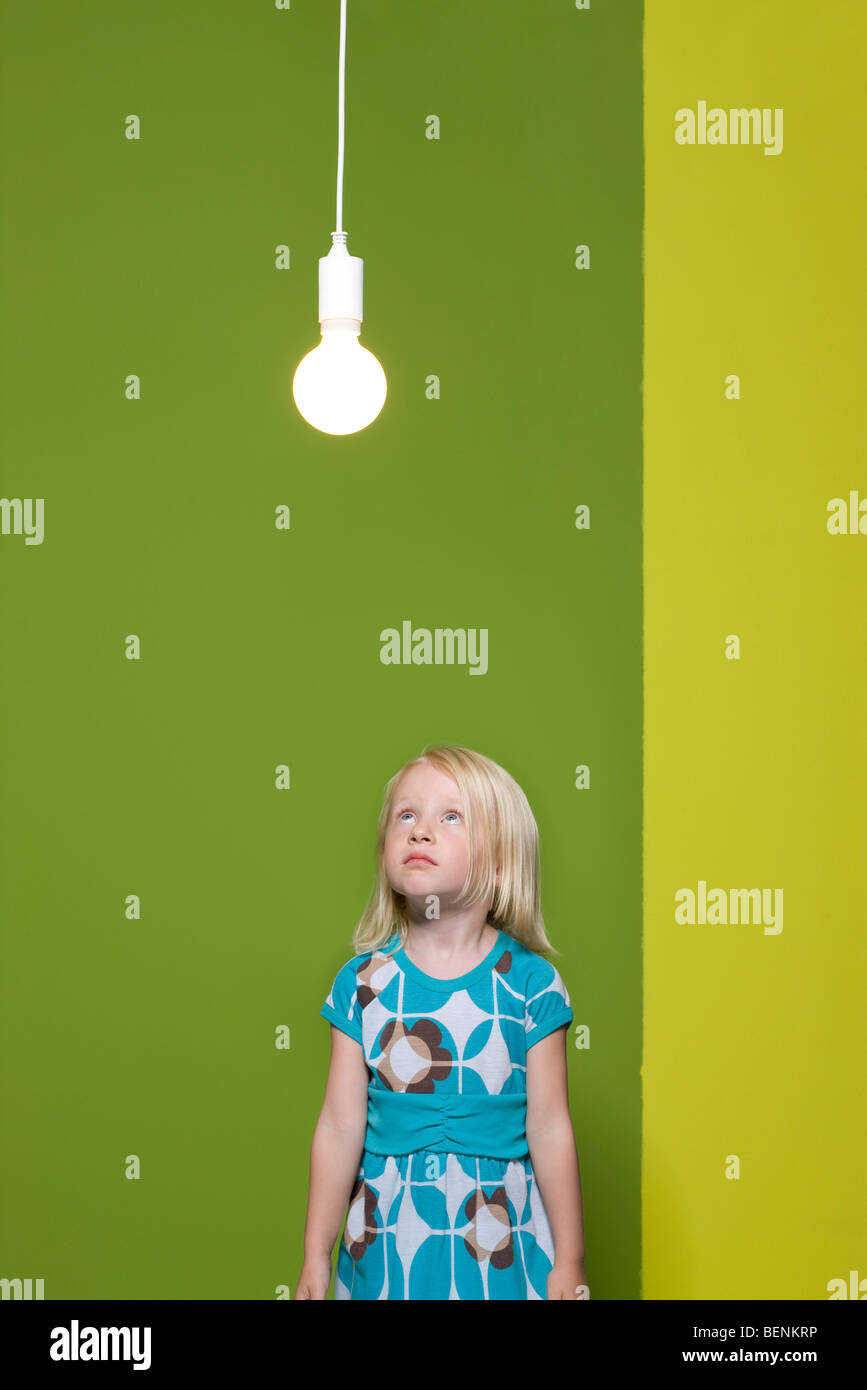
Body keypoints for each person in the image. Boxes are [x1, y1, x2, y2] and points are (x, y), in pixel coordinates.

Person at [295, 743, 588, 1300]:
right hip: (385, 1248)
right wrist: (315, 1252)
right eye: (407, 815)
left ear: (501, 865)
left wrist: (569, 1261)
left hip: (503, 1244)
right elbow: (338, 1125)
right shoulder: (362, 985)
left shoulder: (532, 987)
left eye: (450, 817)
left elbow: (551, 1128)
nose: (420, 830)